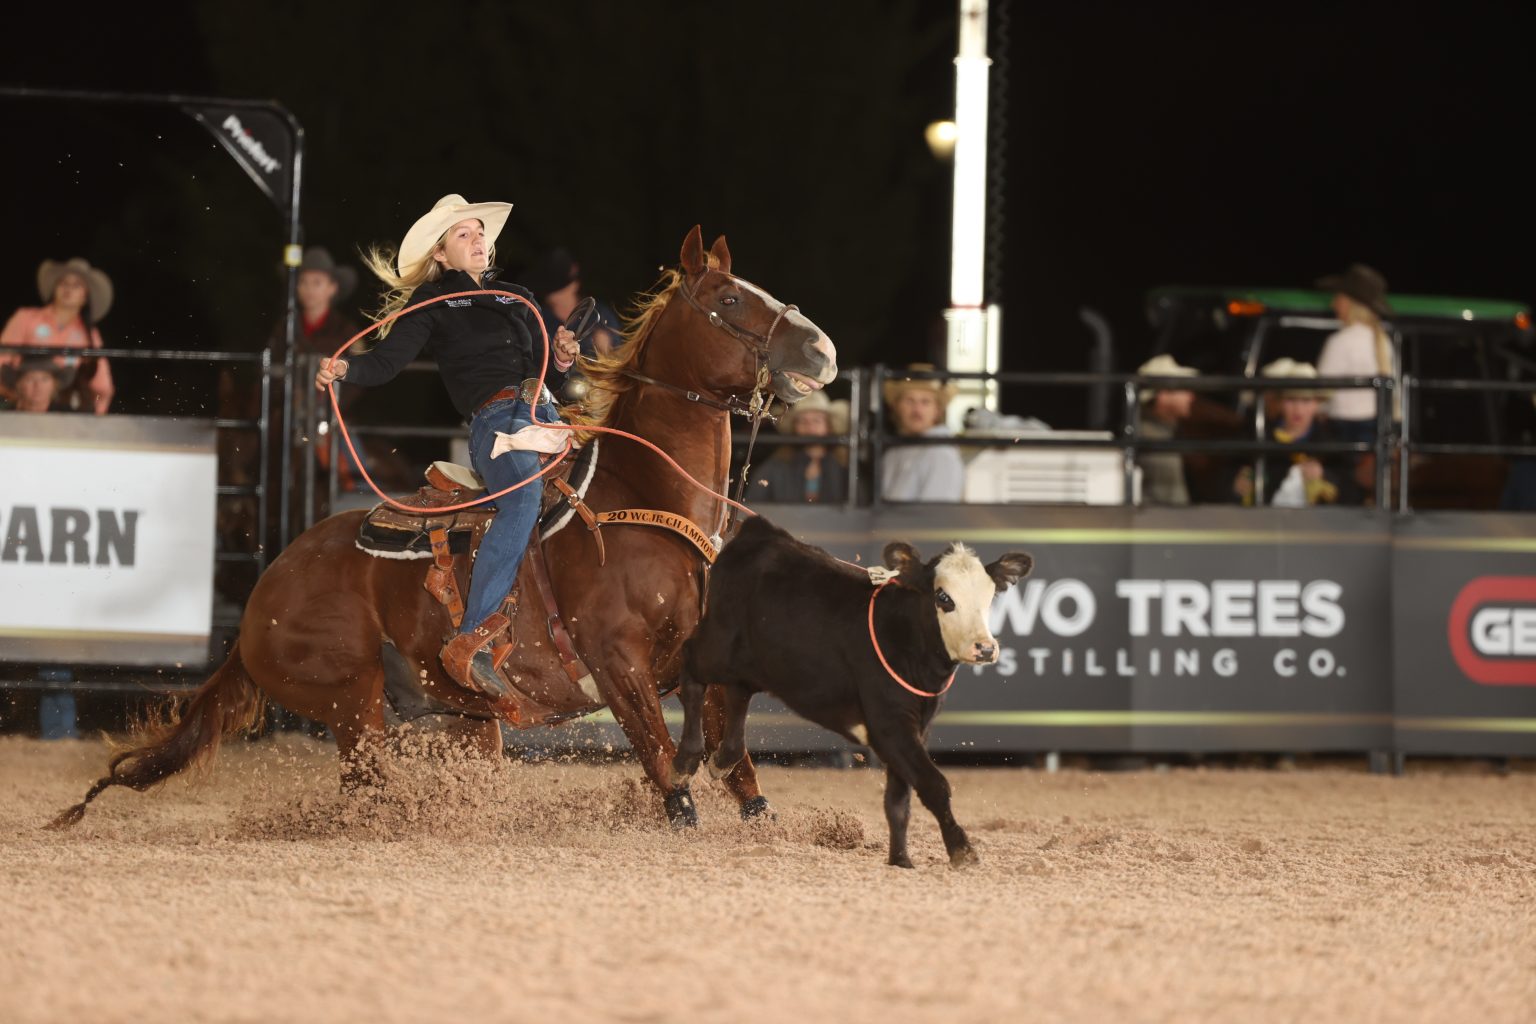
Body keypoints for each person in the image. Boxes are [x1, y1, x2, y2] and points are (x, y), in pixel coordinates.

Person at [314, 194, 581, 697]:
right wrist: (346, 368)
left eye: (481, 232)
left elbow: (549, 374)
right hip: (496, 423)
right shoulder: (433, 303)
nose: (479, 239)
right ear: (440, 254)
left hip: (549, 417)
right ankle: (470, 639)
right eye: (465, 234)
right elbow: (386, 363)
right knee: (522, 495)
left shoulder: (517, 297)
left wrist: (563, 360)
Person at [1234, 359, 1358, 507]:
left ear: (1317, 404)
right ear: (1280, 402)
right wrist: (1236, 488)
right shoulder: (1256, 437)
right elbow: (1223, 486)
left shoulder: (1333, 445)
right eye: (1291, 399)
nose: (1298, 409)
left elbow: (1353, 494)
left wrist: (1325, 476)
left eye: (1306, 401)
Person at [1, 258, 114, 414]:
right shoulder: (26, 318)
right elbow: (2, 359)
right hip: (22, 398)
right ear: (55, 288)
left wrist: (98, 416)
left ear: (85, 296)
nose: (68, 289)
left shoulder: (90, 335)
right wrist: (11, 394)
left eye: (76, 285)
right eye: (63, 283)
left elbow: (102, 384)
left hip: (64, 406)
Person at [1315, 263, 1394, 443]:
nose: (1333, 303)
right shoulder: (1383, 340)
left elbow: (1321, 391)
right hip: (1376, 426)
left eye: (1338, 297)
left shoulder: (1341, 341)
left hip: (1342, 428)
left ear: (1348, 302)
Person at [880, 364, 965, 502]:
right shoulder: (894, 451)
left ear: (937, 411)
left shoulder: (940, 453)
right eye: (909, 401)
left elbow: (934, 517)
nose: (917, 410)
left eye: (925, 402)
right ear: (897, 407)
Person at [520, 247, 623, 360]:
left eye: (561, 289)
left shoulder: (600, 314)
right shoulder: (539, 321)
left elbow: (617, 360)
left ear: (575, 285)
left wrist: (606, 350)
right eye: (553, 291)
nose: (556, 297)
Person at [753, 390, 850, 504]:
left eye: (816, 420)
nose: (809, 426)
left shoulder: (845, 468)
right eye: (802, 421)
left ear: (829, 426)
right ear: (794, 427)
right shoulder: (775, 467)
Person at [1135, 354, 1198, 505]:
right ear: (1163, 395)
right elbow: (1176, 509)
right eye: (1183, 388)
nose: (1191, 396)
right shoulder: (1156, 442)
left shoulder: (1147, 432)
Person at [292, 246, 363, 355]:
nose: (309, 288)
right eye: (303, 281)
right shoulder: (287, 326)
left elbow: (359, 367)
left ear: (332, 288)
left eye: (317, 282)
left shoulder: (346, 331)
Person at [0, 356, 73, 412]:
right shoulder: (4, 414)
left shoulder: (68, 415)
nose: (38, 386)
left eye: (45, 379)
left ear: (54, 384)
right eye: (30, 379)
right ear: (19, 384)